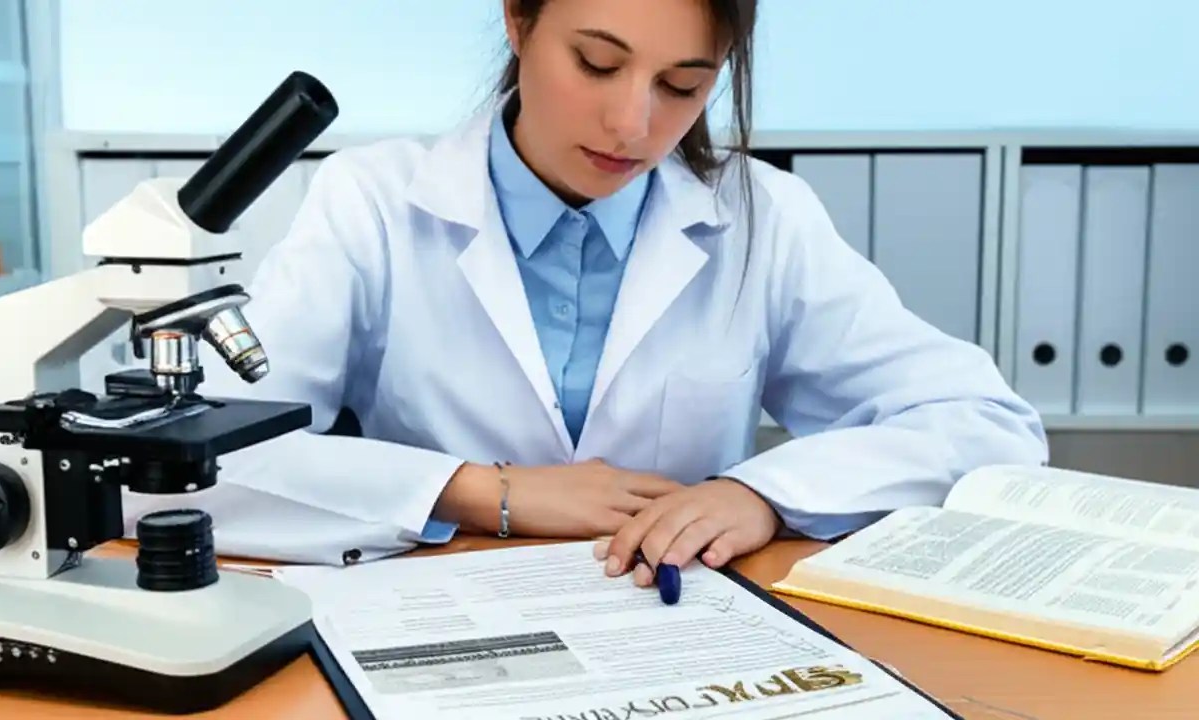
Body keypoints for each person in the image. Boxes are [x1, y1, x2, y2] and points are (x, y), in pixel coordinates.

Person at [124, 0, 1048, 589]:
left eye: (684, 85)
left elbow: (986, 425)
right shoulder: (373, 201)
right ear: (519, 21)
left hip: (673, 632)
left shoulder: (762, 215)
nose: (633, 123)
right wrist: (484, 491)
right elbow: (187, 464)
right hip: (433, 623)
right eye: (598, 64)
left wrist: (763, 494)